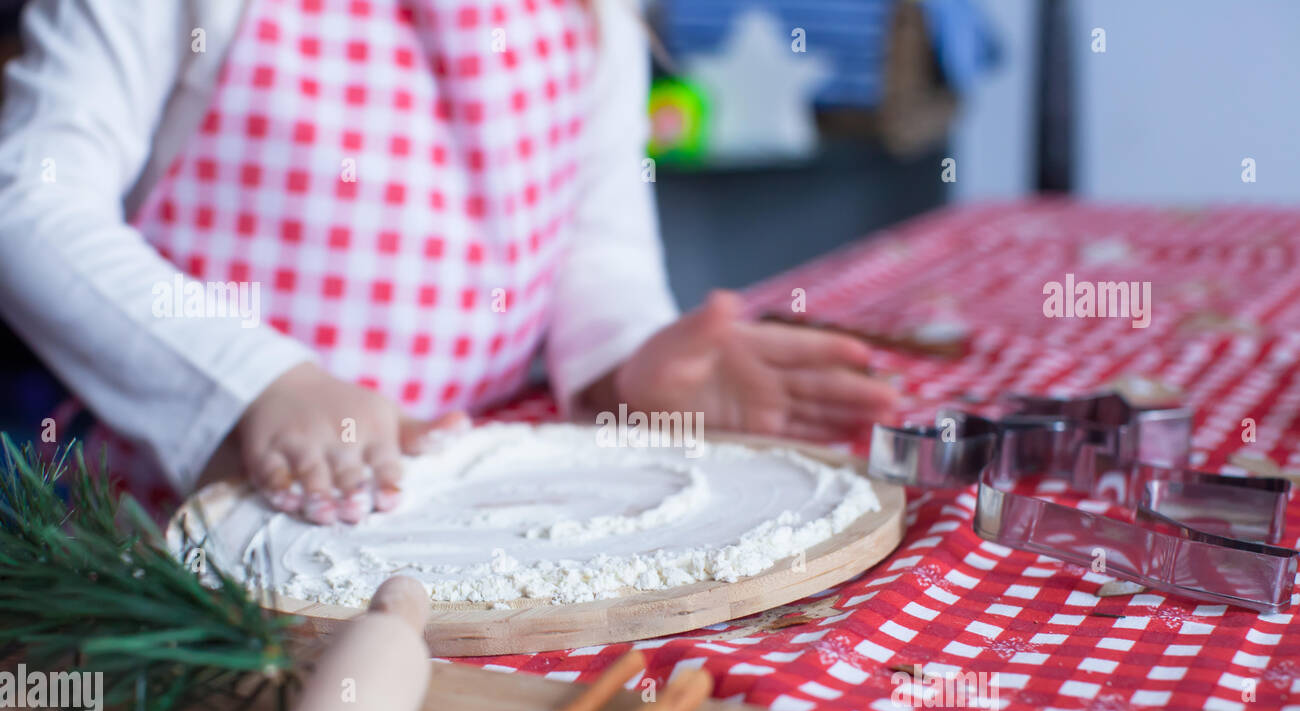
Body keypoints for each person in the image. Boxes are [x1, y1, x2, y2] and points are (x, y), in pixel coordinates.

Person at [0, 0, 896, 524]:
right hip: (183, 560)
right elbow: (26, 203)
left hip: (470, 528)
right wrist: (261, 382)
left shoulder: (592, 17)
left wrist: (628, 362)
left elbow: (592, 244)